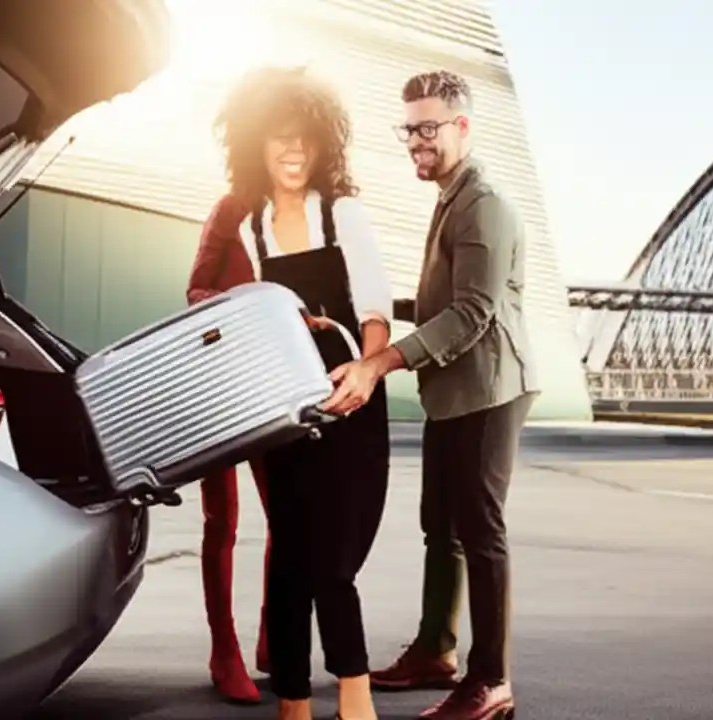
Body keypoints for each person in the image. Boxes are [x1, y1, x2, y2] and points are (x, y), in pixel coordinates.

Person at [321, 70, 539, 720]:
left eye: (429, 128)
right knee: (438, 528)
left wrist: (382, 360)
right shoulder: (452, 195)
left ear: (462, 127)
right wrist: (353, 311)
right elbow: (447, 299)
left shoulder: (485, 204)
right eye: (409, 128)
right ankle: (434, 651)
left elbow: (472, 313)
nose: (416, 140)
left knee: (480, 531)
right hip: (454, 391)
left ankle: (491, 681)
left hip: (490, 390)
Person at [215, 65, 393, 720]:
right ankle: (293, 704)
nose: (292, 151)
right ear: (257, 145)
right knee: (288, 558)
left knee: (331, 563)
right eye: (278, 138)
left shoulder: (344, 213)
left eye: (304, 140)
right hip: (289, 406)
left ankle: (356, 699)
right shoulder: (254, 226)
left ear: (322, 146)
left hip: (350, 404)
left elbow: (375, 311)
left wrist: (365, 376)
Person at [185, 193, 272, 705]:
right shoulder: (230, 210)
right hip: (218, 381)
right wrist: (234, 307)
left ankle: (271, 638)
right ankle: (225, 652)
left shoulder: (300, 214)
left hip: (271, 385)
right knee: (222, 522)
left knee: (283, 516)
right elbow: (193, 286)